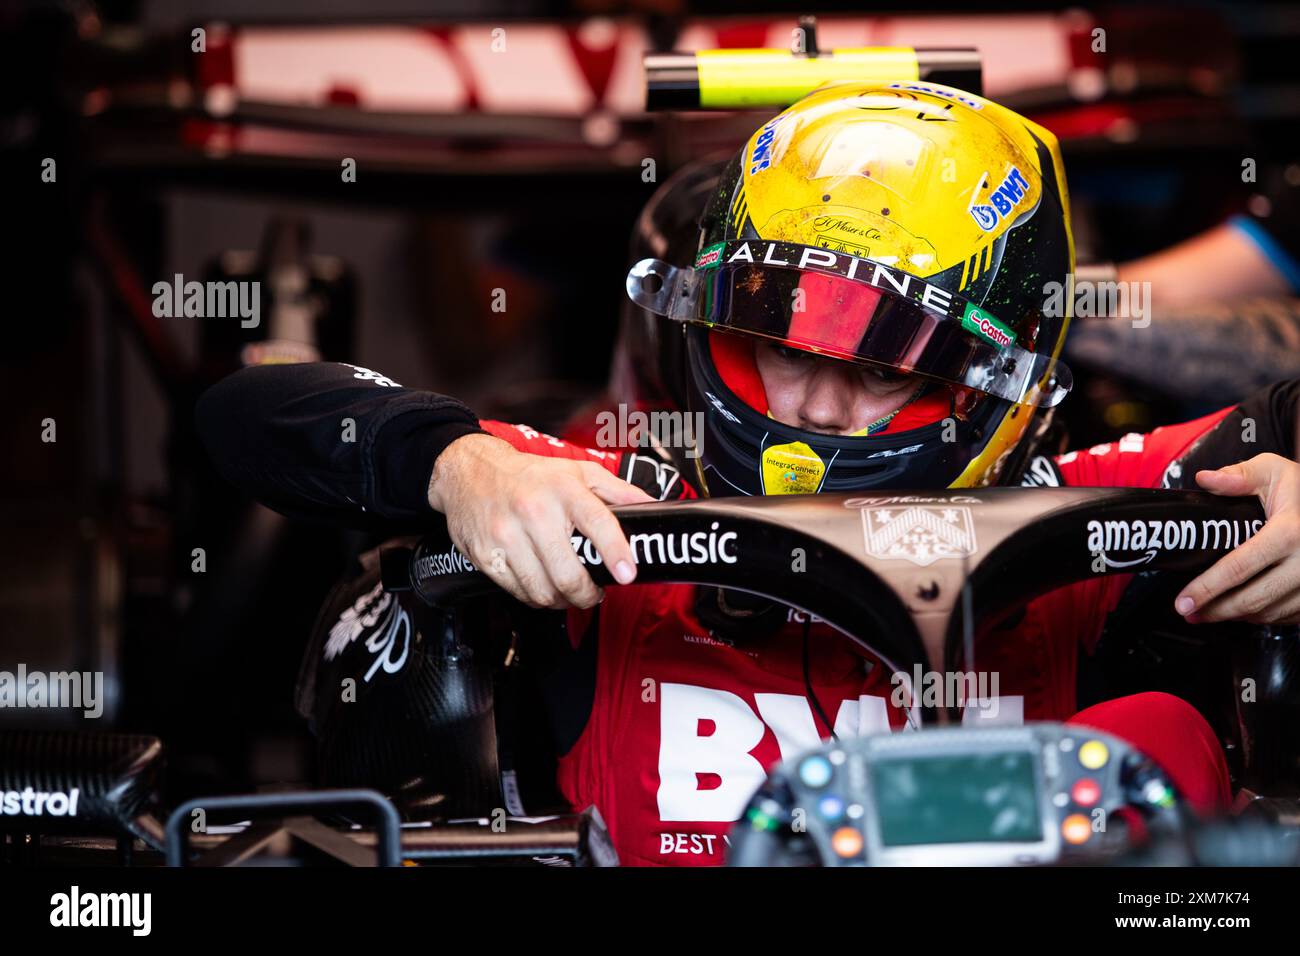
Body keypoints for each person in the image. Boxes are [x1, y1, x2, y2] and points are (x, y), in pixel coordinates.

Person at [197, 83, 1300, 866]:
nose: (813, 410)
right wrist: (454, 459)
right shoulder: (613, 503)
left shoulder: (1097, 498)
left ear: (996, 383)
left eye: (874, 369)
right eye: (781, 349)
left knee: (1174, 730)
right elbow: (248, 412)